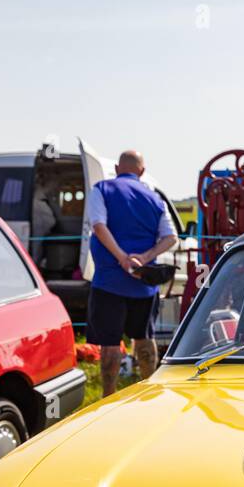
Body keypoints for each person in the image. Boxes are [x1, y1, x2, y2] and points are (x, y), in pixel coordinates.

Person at [84, 149, 177, 396]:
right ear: (142, 172)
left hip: (109, 281)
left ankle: (109, 395)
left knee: (110, 343)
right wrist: (144, 258)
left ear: (116, 169)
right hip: (144, 284)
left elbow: (99, 226)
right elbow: (171, 237)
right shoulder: (155, 199)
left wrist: (122, 258)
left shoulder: (102, 190)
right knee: (145, 338)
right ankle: (148, 391)